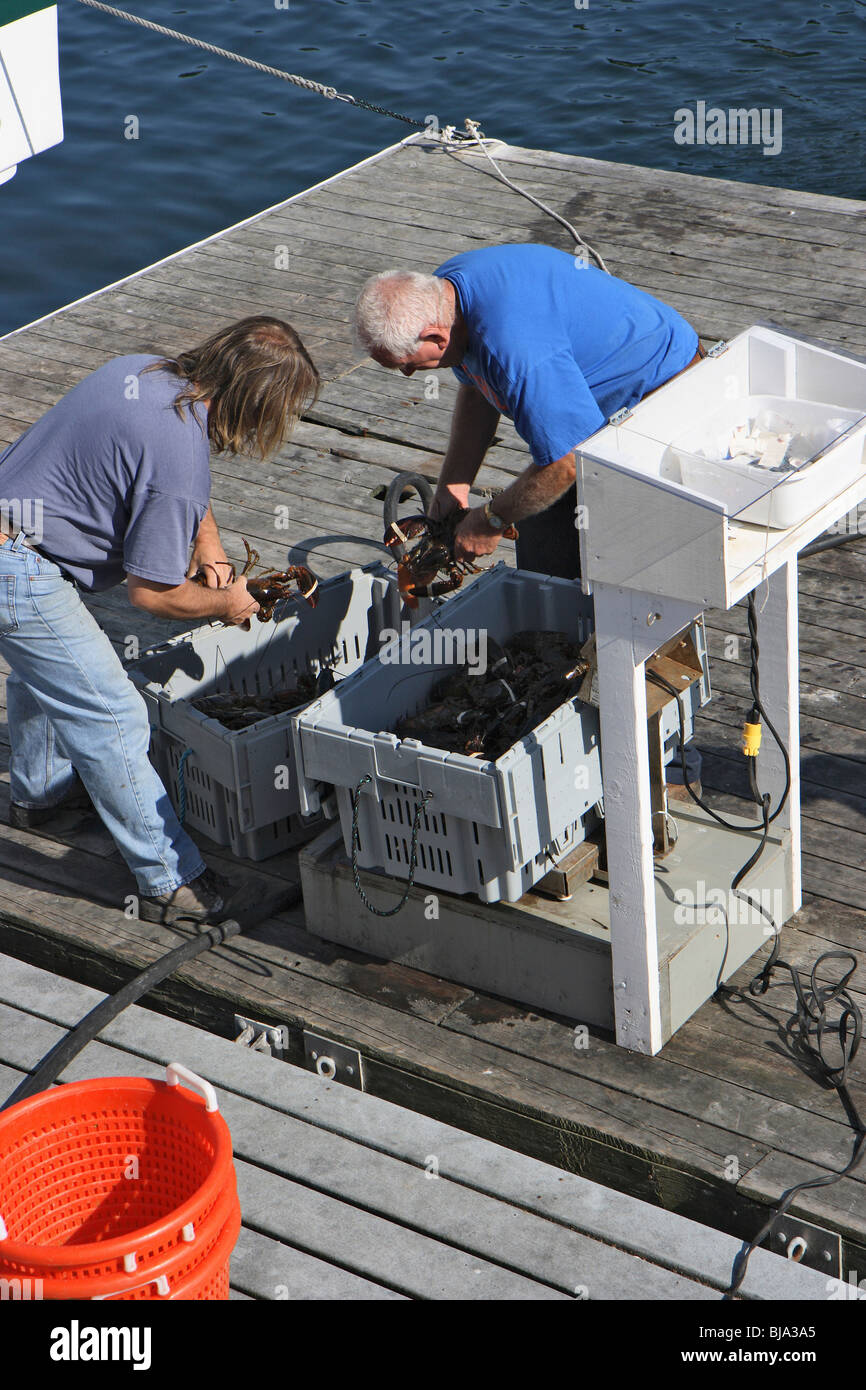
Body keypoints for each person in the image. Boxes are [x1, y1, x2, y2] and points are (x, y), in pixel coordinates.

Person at [0, 314, 319, 921]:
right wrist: (229, 601)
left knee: (45, 671)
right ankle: (171, 882)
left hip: (14, 528)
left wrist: (210, 547)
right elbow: (151, 594)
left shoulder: (141, 373)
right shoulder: (180, 457)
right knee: (112, 713)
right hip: (16, 571)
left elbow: (174, 485)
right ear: (257, 405)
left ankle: (39, 800)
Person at [354, 244, 702, 790]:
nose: (405, 378)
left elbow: (566, 461)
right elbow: (476, 383)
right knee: (546, 543)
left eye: (405, 368)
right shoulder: (449, 292)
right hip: (596, 417)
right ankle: (574, 712)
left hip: (665, 404)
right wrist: (454, 485)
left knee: (636, 588)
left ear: (434, 337)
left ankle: (667, 760)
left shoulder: (515, 346)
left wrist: (490, 520)